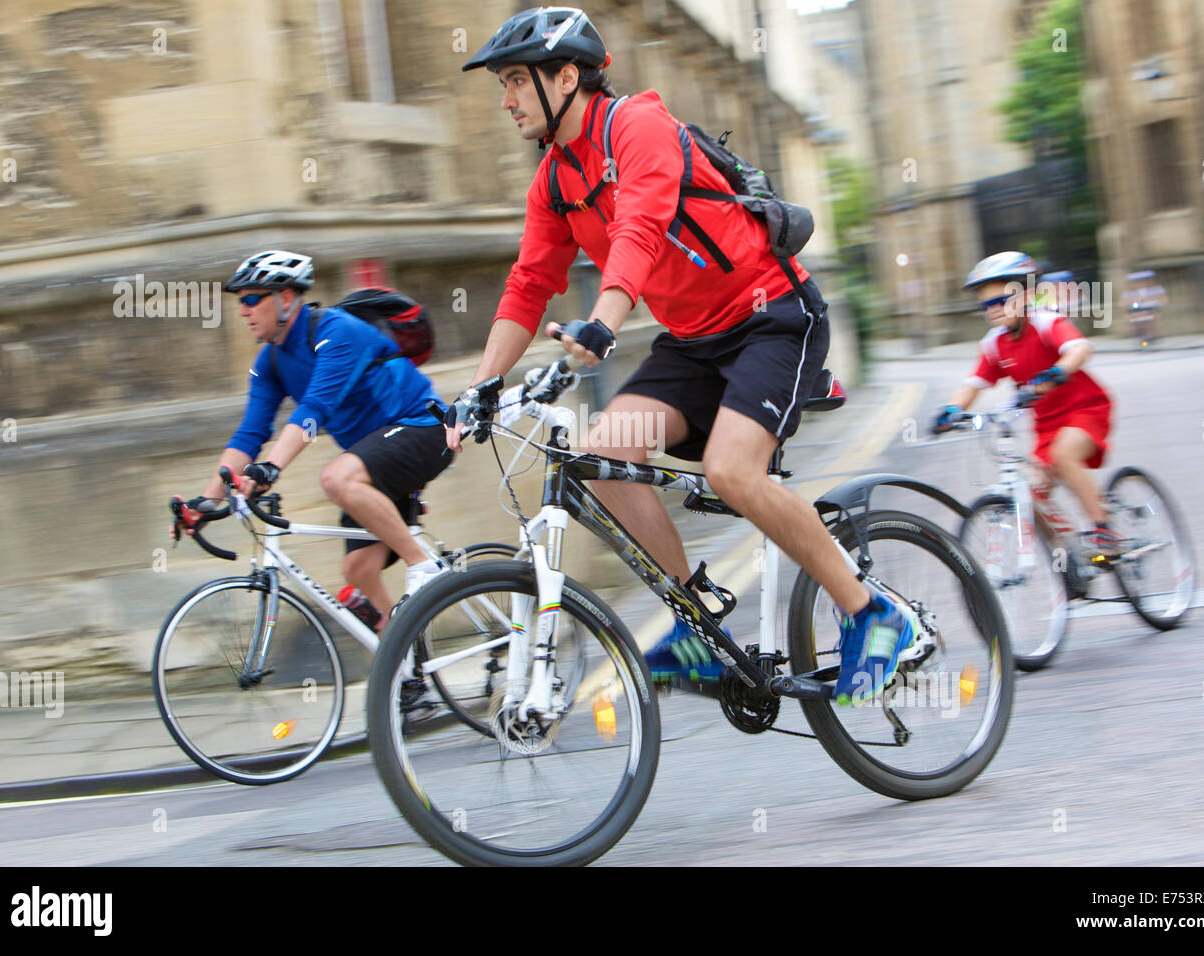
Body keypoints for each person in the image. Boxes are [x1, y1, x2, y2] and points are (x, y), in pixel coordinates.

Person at [450, 6, 920, 706]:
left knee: (734, 471)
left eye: (517, 80)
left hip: (773, 319)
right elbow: (528, 285)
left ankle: (872, 615)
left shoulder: (637, 127)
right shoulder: (553, 179)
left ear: (567, 77)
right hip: (695, 342)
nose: (506, 99)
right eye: (503, 85)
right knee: (606, 458)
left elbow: (639, 229)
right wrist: (480, 389)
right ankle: (698, 620)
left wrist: (605, 322)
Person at [175, 249, 452, 630]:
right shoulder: (269, 363)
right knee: (358, 570)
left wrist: (272, 467)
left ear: (285, 298)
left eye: (252, 299)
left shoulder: (337, 332)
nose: (243, 310)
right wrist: (208, 500)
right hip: (374, 456)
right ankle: (410, 668)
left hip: (425, 428)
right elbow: (250, 434)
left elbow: (314, 408)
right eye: (241, 302)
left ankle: (426, 567)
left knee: (337, 478)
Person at [934, 252, 1120, 555]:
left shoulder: (1046, 322)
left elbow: (1079, 349)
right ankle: (1069, 559)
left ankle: (1103, 529)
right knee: (1028, 494)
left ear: (1027, 295)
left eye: (1001, 301)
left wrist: (1058, 371)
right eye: (985, 305)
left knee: (1064, 456)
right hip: (1047, 427)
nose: (993, 310)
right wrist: (951, 410)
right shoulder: (994, 343)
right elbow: (973, 384)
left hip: (1085, 409)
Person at [1120, 269, 1166, 347]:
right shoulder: (1130, 292)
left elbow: (1163, 299)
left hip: (1152, 310)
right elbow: (1122, 303)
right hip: (1136, 312)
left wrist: (1153, 300)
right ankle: (1141, 335)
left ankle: (1150, 335)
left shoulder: (1155, 289)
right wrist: (1133, 301)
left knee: (1148, 316)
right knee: (1134, 317)